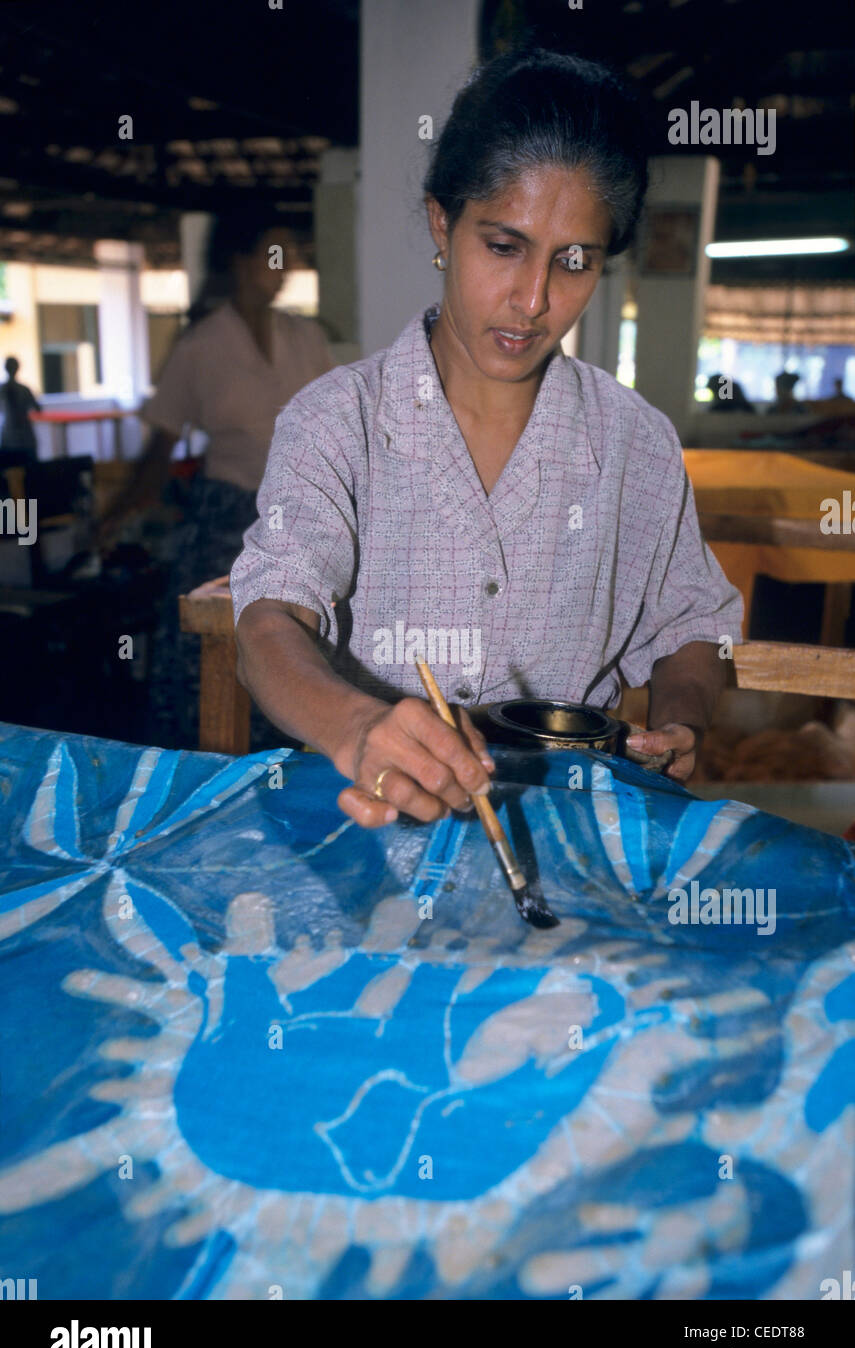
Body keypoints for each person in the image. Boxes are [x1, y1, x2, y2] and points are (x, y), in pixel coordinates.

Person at [232, 48, 744, 829]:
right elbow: (270, 623)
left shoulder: (633, 443)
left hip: (568, 832)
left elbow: (691, 624)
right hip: (368, 821)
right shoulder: (337, 421)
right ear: (443, 223)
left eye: (573, 262)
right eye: (502, 247)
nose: (532, 301)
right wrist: (357, 725)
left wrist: (682, 717)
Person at [101, 205, 335, 749]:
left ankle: (281, 766)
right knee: (216, 655)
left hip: (297, 521)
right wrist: (117, 513)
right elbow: (159, 449)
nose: (284, 268)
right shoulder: (202, 345)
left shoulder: (306, 338)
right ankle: (205, 776)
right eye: (273, 255)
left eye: (289, 258)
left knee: (291, 648)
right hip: (225, 524)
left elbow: (335, 429)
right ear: (240, 260)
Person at [0, 356, 40, 458]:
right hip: (24, 437)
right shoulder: (24, 389)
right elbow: (37, 409)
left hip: (9, 437)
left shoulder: (2, 389)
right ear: (17, 368)